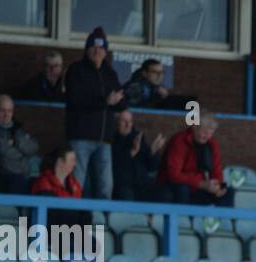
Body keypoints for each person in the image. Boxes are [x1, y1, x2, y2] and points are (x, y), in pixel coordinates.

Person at [64, 28, 124, 200]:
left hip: (104, 139)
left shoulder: (110, 73)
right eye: (93, 47)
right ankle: (71, 221)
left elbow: (119, 102)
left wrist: (120, 99)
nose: (97, 51)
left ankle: (102, 225)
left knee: (106, 186)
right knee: (77, 183)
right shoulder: (76, 70)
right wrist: (105, 102)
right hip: (80, 137)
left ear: (105, 51)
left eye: (101, 48)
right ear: (87, 49)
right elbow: (75, 99)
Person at [159, 113, 234, 207]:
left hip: (200, 187)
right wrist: (201, 184)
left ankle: (220, 221)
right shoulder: (179, 141)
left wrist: (217, 187)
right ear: (194, 127)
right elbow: (174, 175)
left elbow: (217, 171)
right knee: (183, 189)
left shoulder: (212, 144)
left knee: (228, 192)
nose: (207, 136)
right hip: (174, 187)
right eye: (204, 132)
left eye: (211, 133)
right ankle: (182, 220)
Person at [0, 95, 39, 195]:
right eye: (2, 111)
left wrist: (15, 142)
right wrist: (23, 153)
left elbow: (33, 147)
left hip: (22, 177)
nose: (6, 115)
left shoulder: (17, 128)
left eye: (9, 111)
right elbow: (2, 150)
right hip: (1, 177)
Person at [111, 108, 166, 202]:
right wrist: (132, 152)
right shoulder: (111, 140)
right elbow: (116, 164)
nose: (128, 125)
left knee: (164, 193)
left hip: (142, 183)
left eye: (130, 121)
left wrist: (153, 151)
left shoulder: (137, 137)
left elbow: (152, 167)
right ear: (116, 122)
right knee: (126, 195)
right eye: (124, 121)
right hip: (123, 185)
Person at [120, 58, 193, 111]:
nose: (159, 76)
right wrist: (161, 98)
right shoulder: (136, 87)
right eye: (155, 72)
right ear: (145, 73)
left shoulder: (155, 88)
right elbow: (135, 110)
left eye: (161, 72)